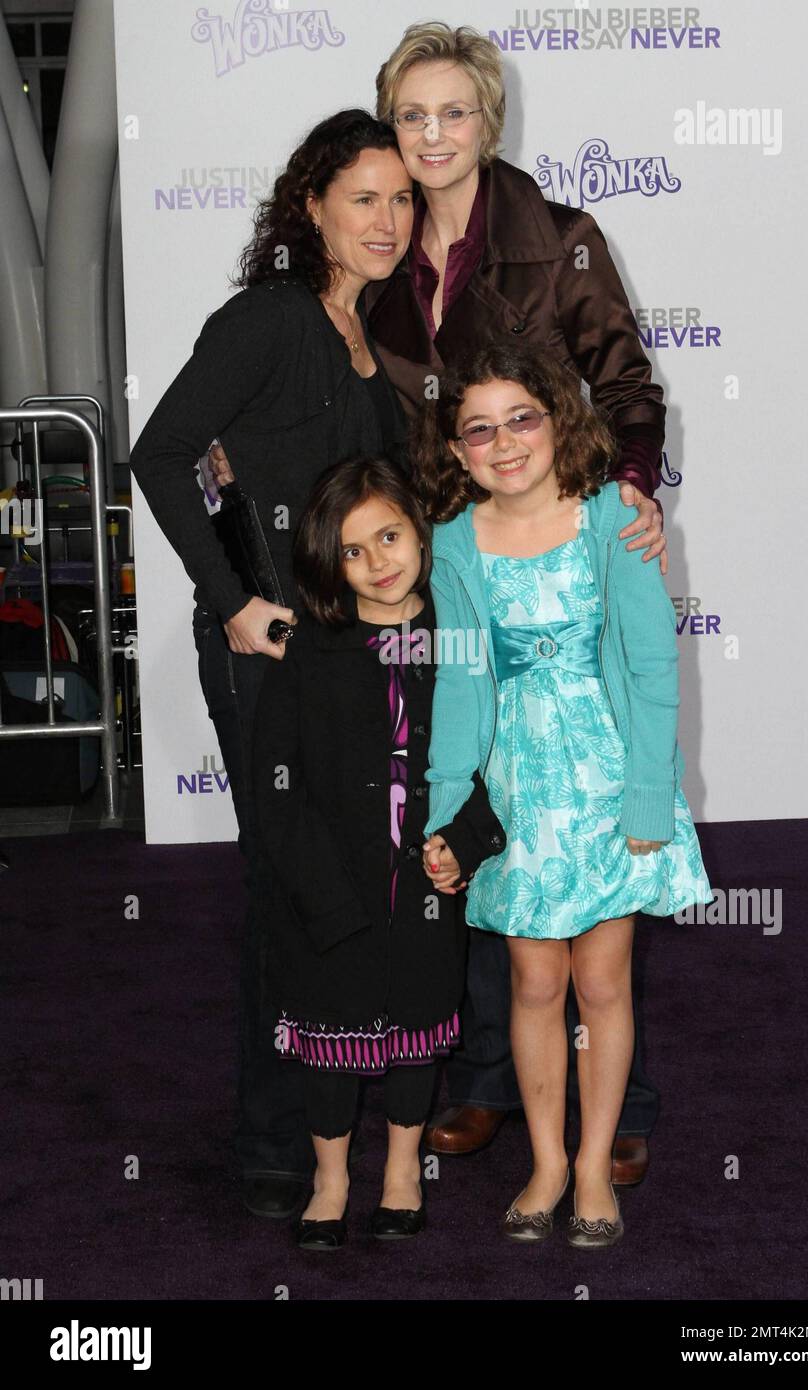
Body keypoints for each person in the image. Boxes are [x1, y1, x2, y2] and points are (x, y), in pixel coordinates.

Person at [366, 20, 671, 1173]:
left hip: (550, 559)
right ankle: (491, 1072)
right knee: (476, 819)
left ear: (488, 122)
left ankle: (617, 1101)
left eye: (453, 111)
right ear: (391, 128)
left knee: (586, 829)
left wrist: (628, 491)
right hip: (436, 570)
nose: (433, 133)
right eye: (412, 114)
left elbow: (626, 385)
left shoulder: (560, 241)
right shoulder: (373, 254)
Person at [128, 110, 414, 1220]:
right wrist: (235, 601)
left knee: (339, 878)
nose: (386, 220)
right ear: (311, 208)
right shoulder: (269, 319)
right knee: (288, 879)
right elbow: (160, 452)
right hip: (270, 656)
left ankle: (327, 1114)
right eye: (362, 199)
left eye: (400, 198)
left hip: (344, 659)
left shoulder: (365, 337)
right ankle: (271, 1140)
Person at [414, 342, 712, 1247]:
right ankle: (546, 1162)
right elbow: (459, 681)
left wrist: (650, 795)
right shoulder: (453, 542)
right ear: (457, 449)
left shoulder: (611, 517)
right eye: (479, 430)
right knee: (535, 981)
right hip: (516, 798)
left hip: (610, 785)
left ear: (558, 421)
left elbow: (651, 666)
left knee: (602, 981)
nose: (504, 443)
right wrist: (446, 813)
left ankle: (592, 1165)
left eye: (522, 419)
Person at [251, 456, 506, 1249]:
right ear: (330, 563)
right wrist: (319, 891)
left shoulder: (461, 640)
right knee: (330, 1038)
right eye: (353, 551)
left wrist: (467, 842)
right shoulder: (310, 649)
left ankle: (401, 1172)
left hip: (426, 890)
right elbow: (276, 784)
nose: (377, 563)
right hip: (329, 887)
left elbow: (501, 757)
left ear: (420, 531)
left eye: (389, 536)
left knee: (418, 1028)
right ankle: (330, 1180)